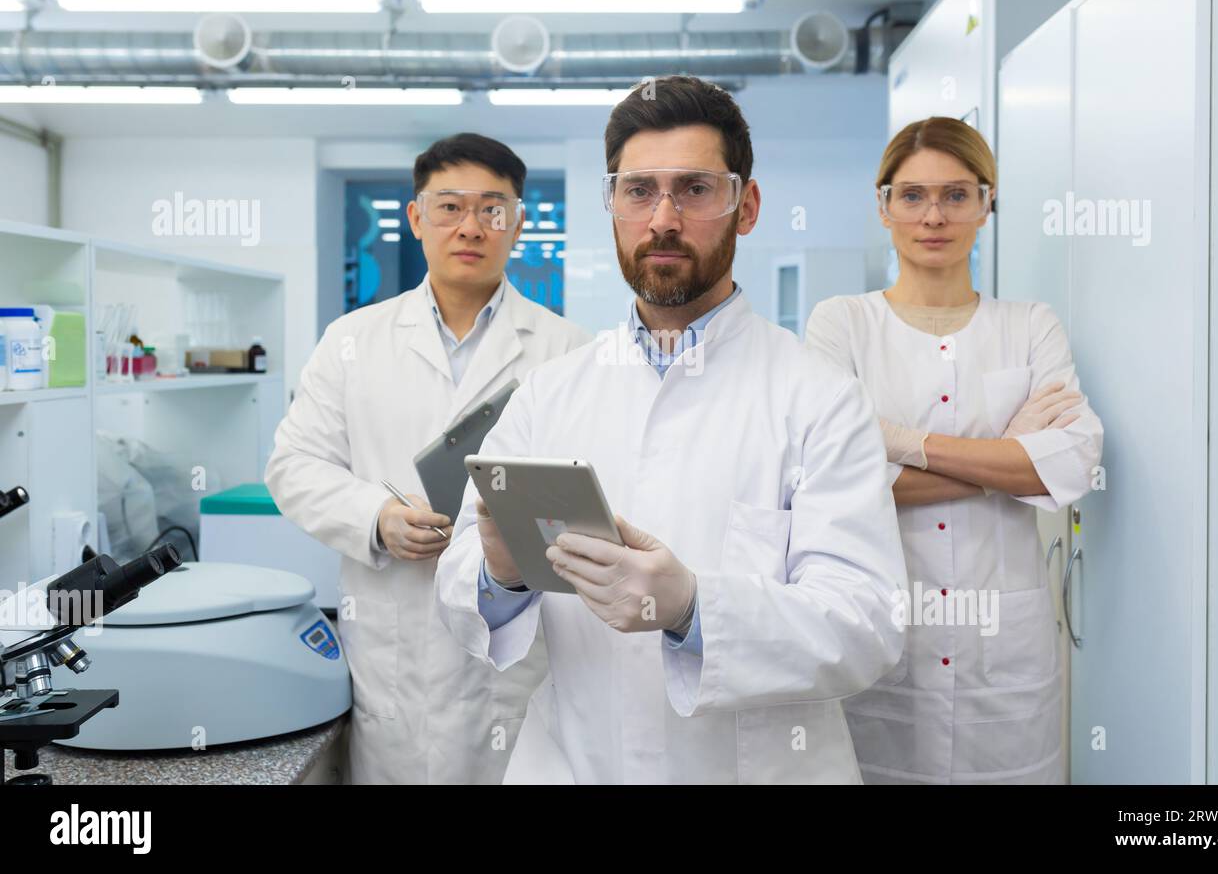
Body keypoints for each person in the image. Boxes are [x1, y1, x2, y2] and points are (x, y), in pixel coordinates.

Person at [435, 76, 907, 784]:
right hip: (573, 761)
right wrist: (499, 573)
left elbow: (867, 625)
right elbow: (459, 582)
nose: (662, 218)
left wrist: (691, 607)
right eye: (638, 191)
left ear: (745, 207)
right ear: (613, 205)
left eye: (694, 189)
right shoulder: (551, 392)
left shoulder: (820, 398)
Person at [265, 133, 590, 783]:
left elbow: (591, 495)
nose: (471, 226)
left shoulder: (567, 349)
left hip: (519, 650)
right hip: (398, 647)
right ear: (416, 218)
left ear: (518, 223)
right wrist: (377, 515)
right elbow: (294, 463)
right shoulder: (352, 340)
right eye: (449, 207)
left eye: (493, 208)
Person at [804, 116, 1104, 784]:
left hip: (1006, 659)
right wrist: (1009, 458)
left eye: (957, 194)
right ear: (882, 207)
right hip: (882, 641)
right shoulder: (842, 323)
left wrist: (895, 442)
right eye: (911, 195)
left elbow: (1074, 464)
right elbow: (832, 480)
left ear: (986, 203)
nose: (933, 215)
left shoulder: (1029, 325)